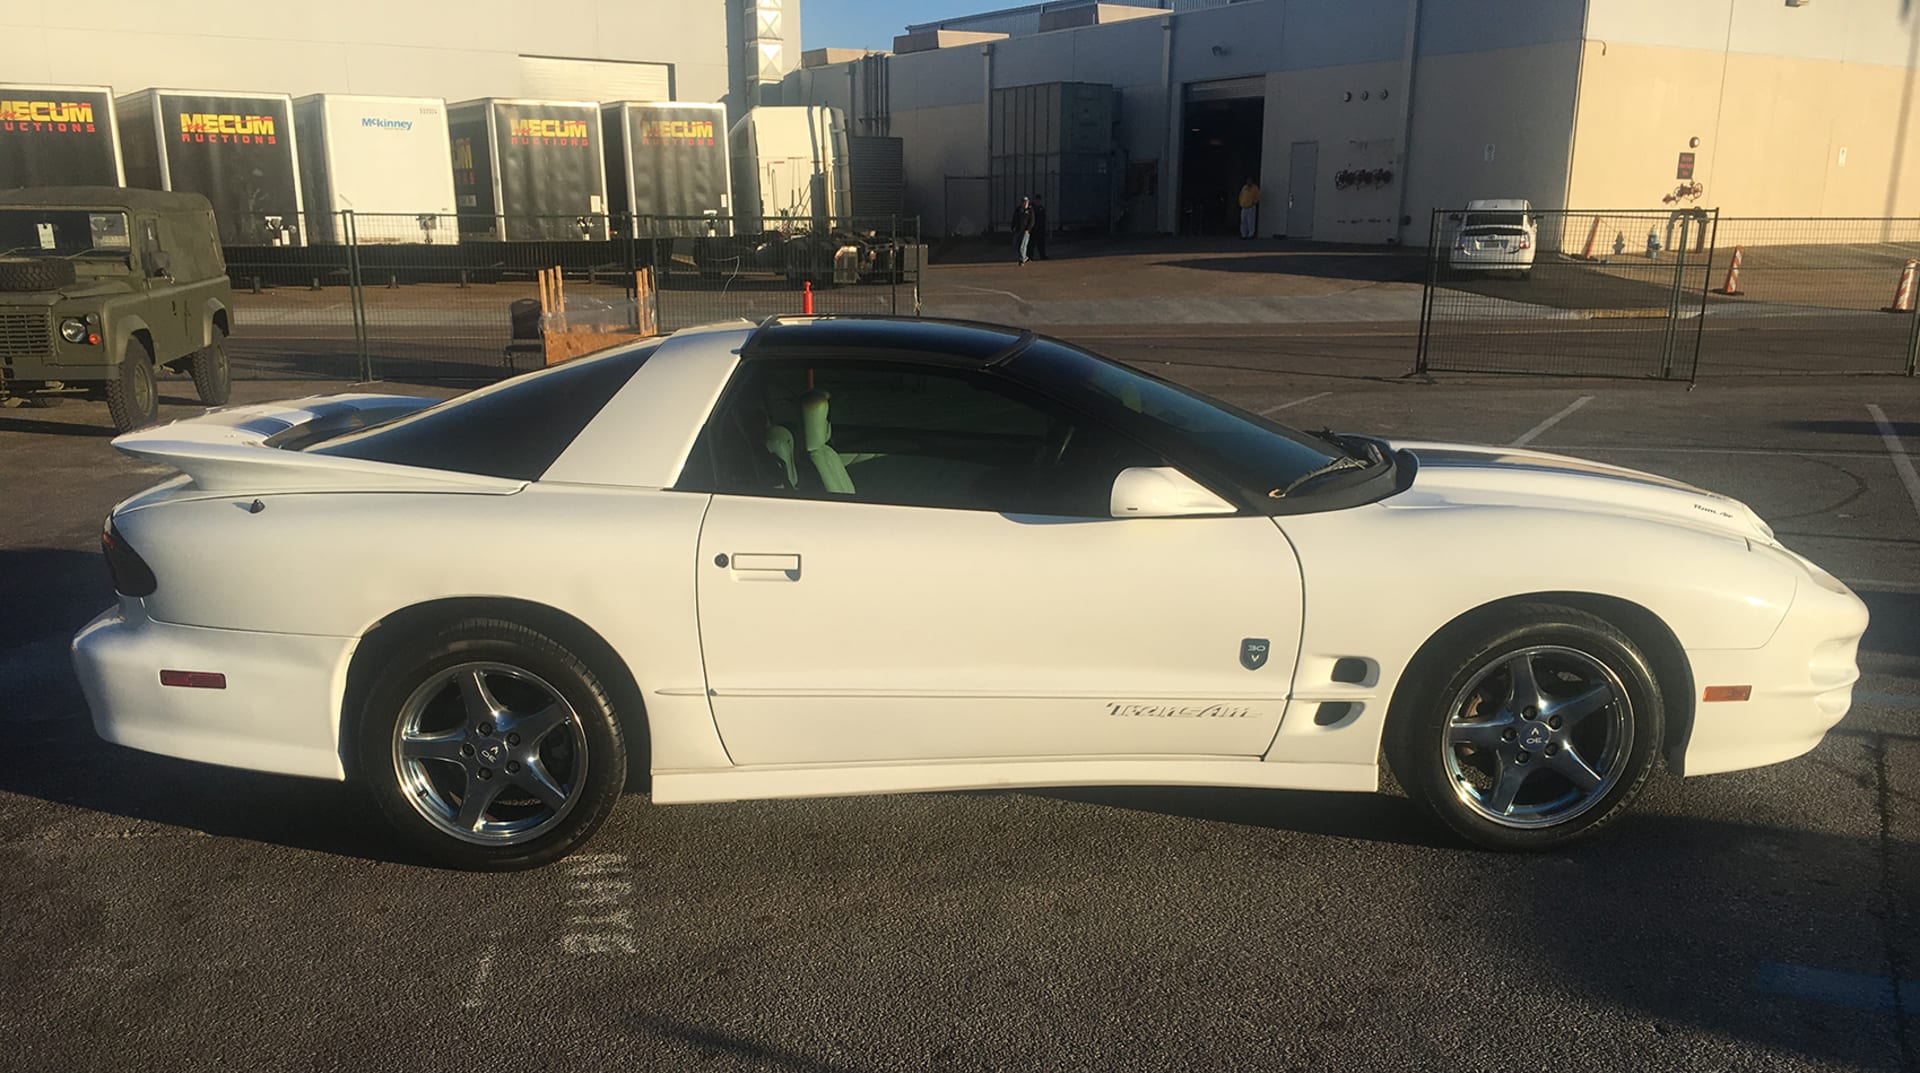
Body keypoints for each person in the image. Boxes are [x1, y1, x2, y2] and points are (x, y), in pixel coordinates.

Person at [1011, 196, 1035, 264]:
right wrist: (1013, 227)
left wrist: (1028, 229)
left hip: (1025, 231)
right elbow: (1014, 218)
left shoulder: (1030, 210)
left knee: (1023, 246)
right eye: (1023, 202)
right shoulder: (1018, 209)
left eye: (1026, 202)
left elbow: (1032, 221)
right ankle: (1024, 257)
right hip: (1018, 230)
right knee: (1017, 246)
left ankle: (1021, 260)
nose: (1024, 203)